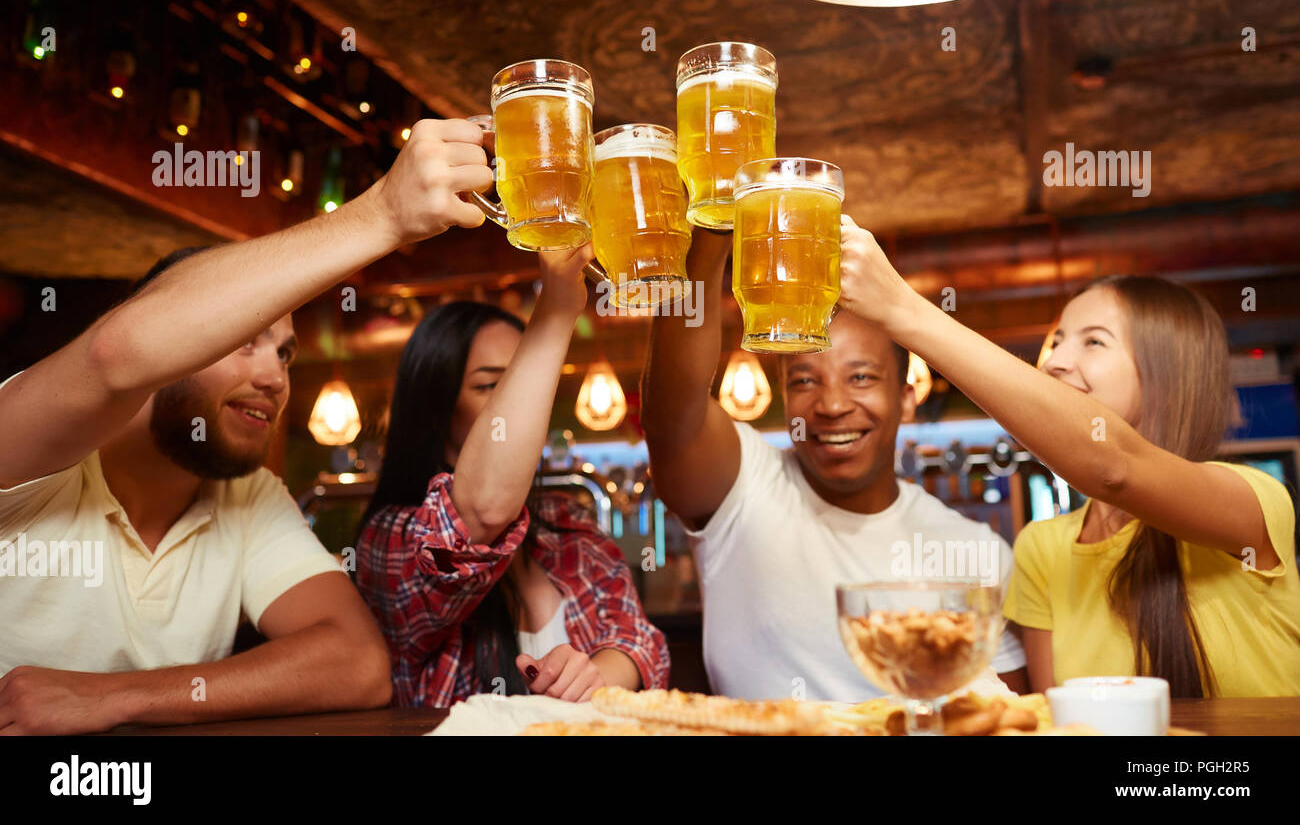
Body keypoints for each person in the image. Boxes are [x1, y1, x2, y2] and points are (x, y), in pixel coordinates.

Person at [0, 119, 493, 733]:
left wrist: (113, 697)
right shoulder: (28, 450)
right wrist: (386, 213)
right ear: (174, 347)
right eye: (243, 341)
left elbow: (359, 664)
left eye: (284, 353)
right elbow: (116, 352)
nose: (274, 376)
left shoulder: (246, 493)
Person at [836, 216, 1300, 696]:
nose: (1054, 360)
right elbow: (1052, 720)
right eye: (1056, 341)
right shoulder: (1043, 549)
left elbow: (1114, 468)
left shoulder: (1256, 504)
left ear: (1168, 374)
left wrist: (903, 311)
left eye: (1093, 341)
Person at [640, 229, 1027, 702]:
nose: (833, 404)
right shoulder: (744, 485)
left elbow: (1011, 717)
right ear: (784, 398)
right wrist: (710, 230)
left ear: (906, 400)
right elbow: (670, 416)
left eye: (861, 377)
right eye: (805, 380)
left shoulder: (975, 552)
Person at [355, 252, 669, 707]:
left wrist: (596, 676)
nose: (516, 405)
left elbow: (638, 641)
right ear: (435, 407)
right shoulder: (390, 540)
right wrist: (559, 304)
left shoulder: (569, 524)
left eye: (524, 382)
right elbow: (477, 518)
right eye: (491, 386)